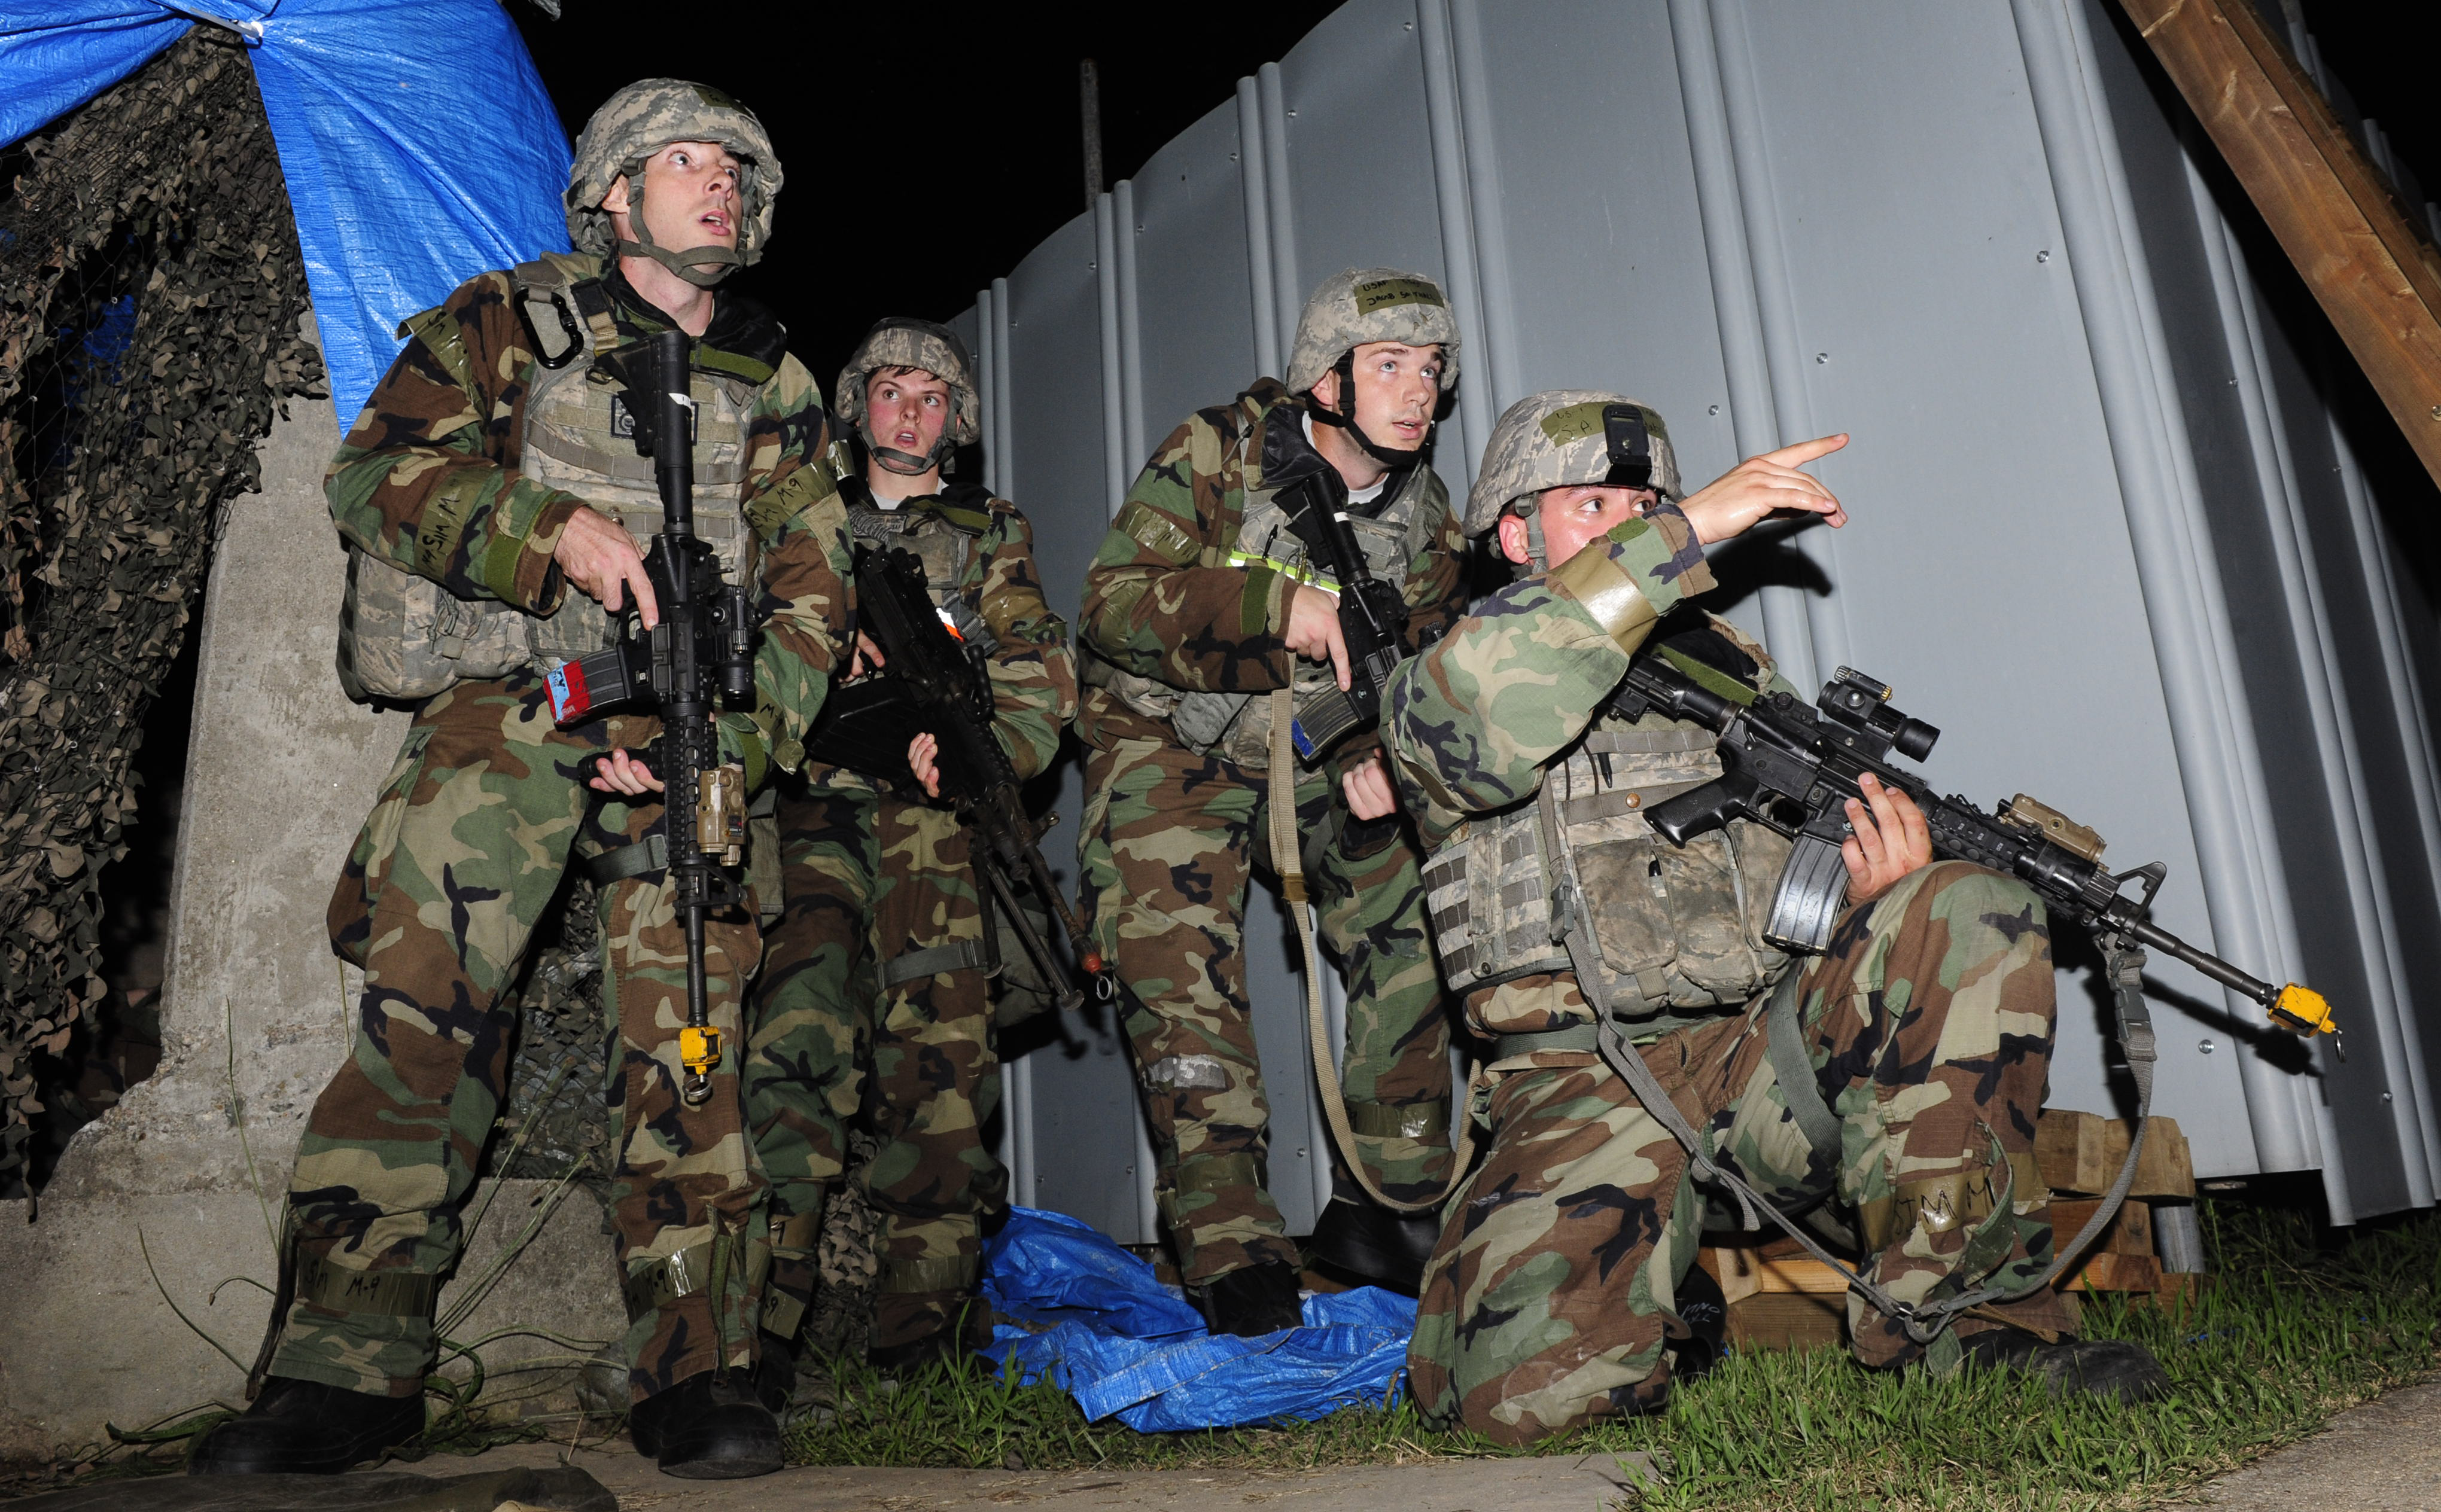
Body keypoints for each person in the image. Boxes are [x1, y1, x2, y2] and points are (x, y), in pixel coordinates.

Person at [190, 80, 854, 1480]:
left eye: (735, 165)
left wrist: (738, 737)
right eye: (686, 162)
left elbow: (814, 582)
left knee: (691, 1045)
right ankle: (343, 1369)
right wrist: (548, 529)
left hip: (693, 739)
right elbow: (377, 480)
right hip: (516, 712)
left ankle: (696, 1371)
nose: (719, 182)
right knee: (425, 1008)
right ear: (616, 193)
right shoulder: (511, 319)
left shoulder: (778, 379)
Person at [1384, 391, 2169, 1444]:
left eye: (1647, 501)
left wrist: (1873, 898)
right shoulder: (1444, 672)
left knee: (1966, 908)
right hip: (1574, 1081)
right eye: (1593, 506)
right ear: (1516, 534)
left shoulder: (1731, 671)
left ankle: (1974, 1326)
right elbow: (1482, 718)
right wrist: (1690, 526)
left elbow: (1789, 886)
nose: (1628, 523)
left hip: (1759, 1055)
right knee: (1519, 1407)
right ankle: (1666, 1299)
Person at [1074, 268, 1466, 1332]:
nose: (1417, 390)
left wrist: (1384, 744)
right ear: (1325, 379)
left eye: (1430, 369)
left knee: (1420, 914)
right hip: (1172, 738)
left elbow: (1425, 657)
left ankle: (1392, 1204)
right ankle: (1230, 1240)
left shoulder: (1428, 513)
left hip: (1319, 746)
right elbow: (1109, 607)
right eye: (1388, 365)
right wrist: (1270, 603)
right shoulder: (1218, 451)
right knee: (1182, 966)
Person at [744, 318, 1076, 1374]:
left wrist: (989, 760)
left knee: (943, 1079)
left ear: (957, 424)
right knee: (795, 1053)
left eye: (934, 398)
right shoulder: (798, 513)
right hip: (811, 811)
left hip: (935, 835)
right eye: (892, 390)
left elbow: (1035, 667)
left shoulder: (989, 530)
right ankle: (752, 1348)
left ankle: (920, 1358)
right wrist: (804, 673)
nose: (912, 411)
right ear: (857, 406)